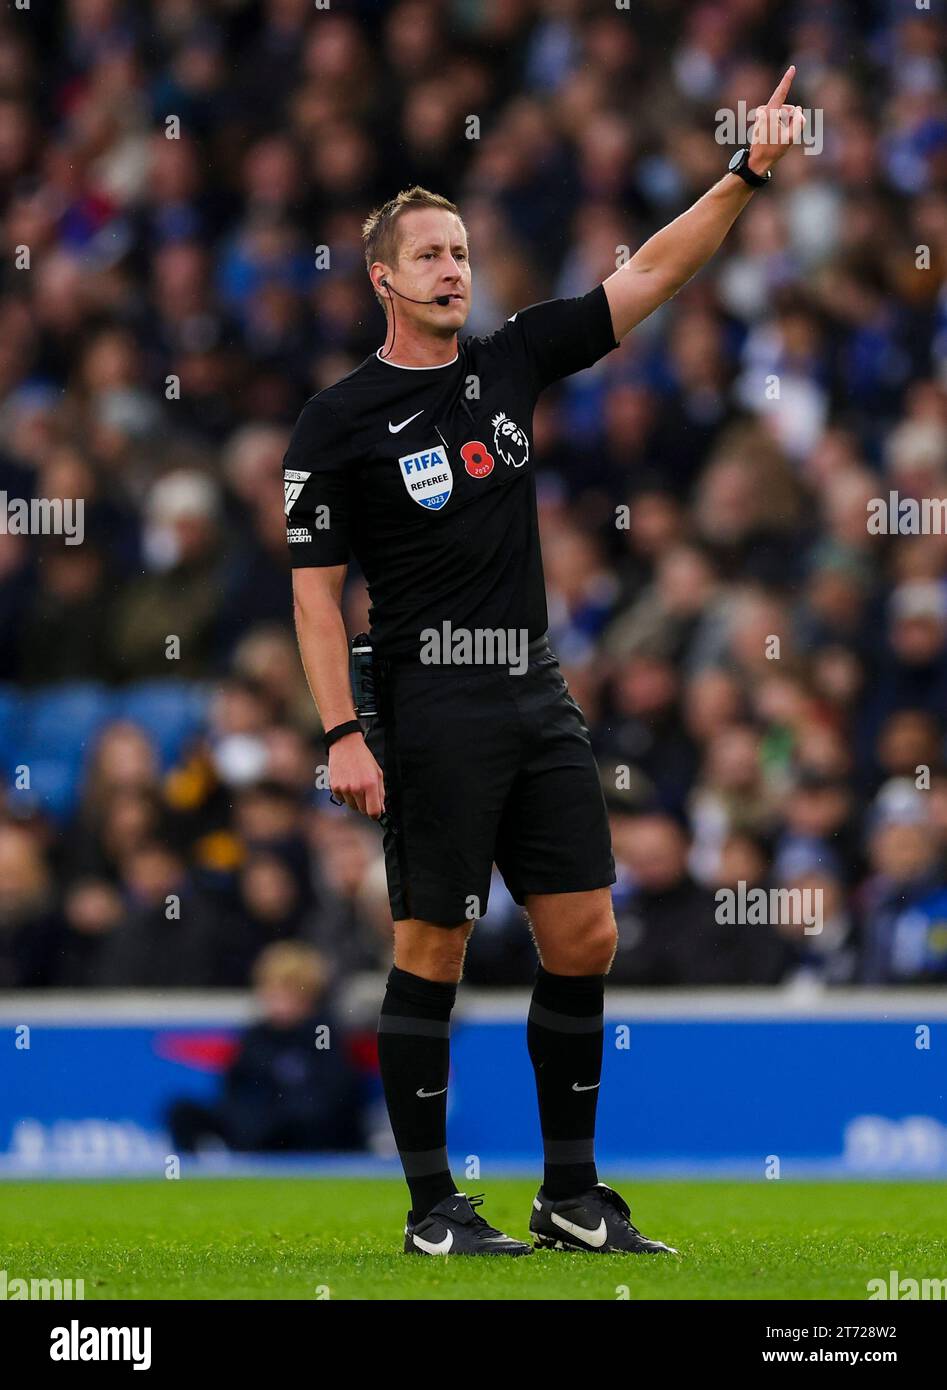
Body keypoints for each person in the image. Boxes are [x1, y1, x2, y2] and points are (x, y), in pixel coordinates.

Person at [284, 70, 805, 1256]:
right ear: (381, 280)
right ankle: (429, 1210)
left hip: (533, 690)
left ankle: (569, 1194)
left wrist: (742, 172)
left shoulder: (507, 362)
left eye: (460, 252)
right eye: (427, 257)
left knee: (584, 937)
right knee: (434, 945)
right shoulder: (338, 422)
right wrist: (339, 732)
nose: (453, 270)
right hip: (426, 708)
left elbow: (652, 273)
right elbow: (315, 602)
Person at [166, 942, 366, 1153]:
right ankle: (195, 1176)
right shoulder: (256, 1035)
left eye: (286, 990)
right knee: (183, 1111)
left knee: (303, 1123)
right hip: (256, 1125)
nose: (277, 1000)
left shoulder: (323, 1033)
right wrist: (249, 1119)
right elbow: (233, 1089)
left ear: (308, 995)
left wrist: (275, 1116)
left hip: (301, 1133)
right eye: (271, 990)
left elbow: (334, 1099)